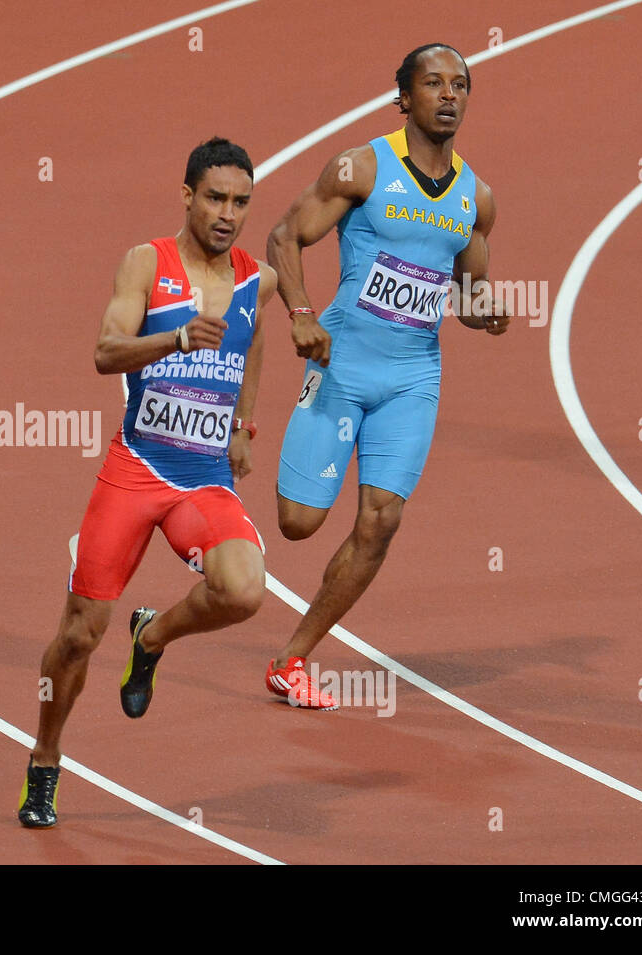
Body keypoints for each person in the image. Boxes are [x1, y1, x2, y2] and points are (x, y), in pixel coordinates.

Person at [19, 138, 278, 828]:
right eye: (216, 198)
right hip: (136, 469)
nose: (228, 214)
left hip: (204, 479)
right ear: (188, 196)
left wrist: (243, 425)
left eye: (241, 202)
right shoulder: (147, 263)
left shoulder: (260, 280)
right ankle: (46, 757)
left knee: (245, 589)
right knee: (78, 634)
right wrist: (176, 339)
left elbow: (252, 347)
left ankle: (153, 636)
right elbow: (106, 352)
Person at [263, 44, 508, 709]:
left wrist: (486, 312)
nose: (449, 94)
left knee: (381, 522)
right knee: (297, 522)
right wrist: (303, 314)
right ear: (404, 98)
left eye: (460, 84)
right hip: (340, 364)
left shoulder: (475, 199)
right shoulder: (361, 168)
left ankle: (292, 658)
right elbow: (284, 236)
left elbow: (469, 288)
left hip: (413, 379)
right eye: (433, 83)